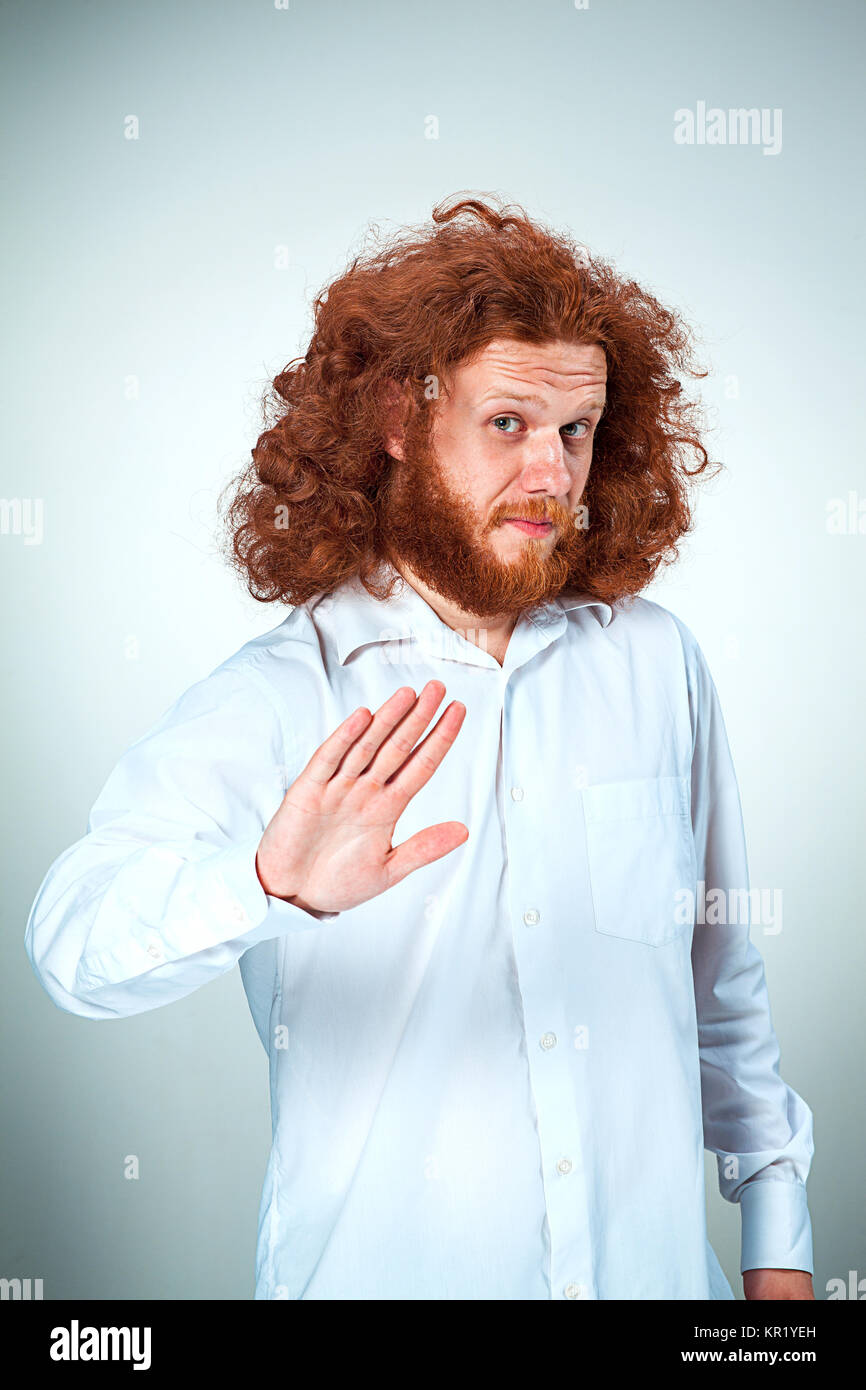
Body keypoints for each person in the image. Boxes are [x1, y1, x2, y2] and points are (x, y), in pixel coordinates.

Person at [25, 195, 815, 1301]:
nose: (552, 473)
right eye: (508, 424)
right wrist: (265, 882)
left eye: (575, 431)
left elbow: (717, 981)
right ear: (399, 414)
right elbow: (71, 945)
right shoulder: (282, 693)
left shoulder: (653, 663)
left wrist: (777, 1239)